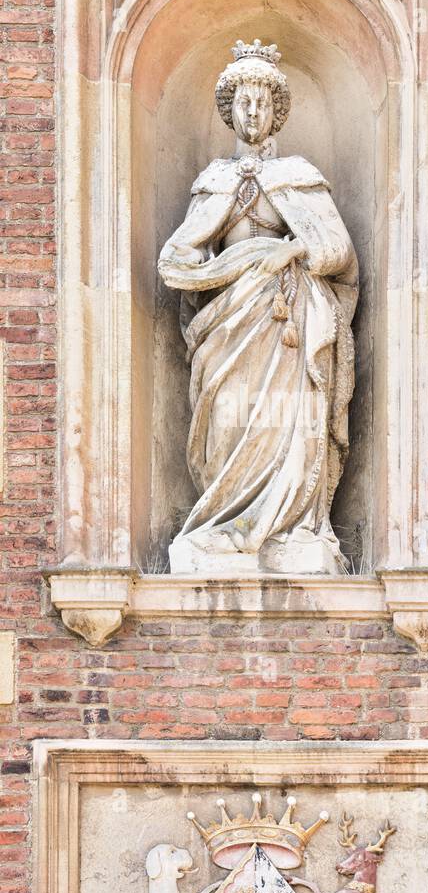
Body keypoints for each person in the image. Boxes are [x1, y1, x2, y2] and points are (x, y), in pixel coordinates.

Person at [158, 38, 358, 575]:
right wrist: (226, 264)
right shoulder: (214, 183)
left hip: (285, 320)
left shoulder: (298, 174)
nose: (253, 112)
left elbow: (336, 248)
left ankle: (289, 526)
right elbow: (178, 255)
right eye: (243, 102)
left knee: (288, 420)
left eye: (262, 102)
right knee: (230, 418)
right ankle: (225, 523)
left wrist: (285, 250)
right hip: (229, 324)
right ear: (230, 111)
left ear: (276, 112)